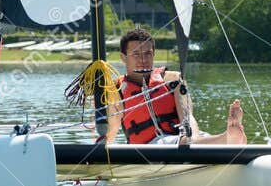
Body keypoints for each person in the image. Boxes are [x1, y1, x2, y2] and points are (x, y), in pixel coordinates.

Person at [105, 25, 246, 146]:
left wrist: (193, 136)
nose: (143, 59)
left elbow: (187, 116)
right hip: (149, 147)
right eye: (136, 54)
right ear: (123, 58)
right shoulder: (115, 91)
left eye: (148, 53)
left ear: (153, 54)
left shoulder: (172, 79)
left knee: (195, 141)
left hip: (183, 138)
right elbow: (111, 132)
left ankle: (229, 139)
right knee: (185, 143)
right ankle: (226, 138)